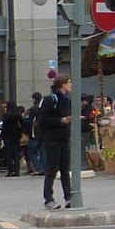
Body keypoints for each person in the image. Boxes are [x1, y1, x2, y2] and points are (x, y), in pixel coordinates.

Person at [38, 74, 73, 210]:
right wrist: (61, 120)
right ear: (62, 84)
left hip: (64, 137)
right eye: (69, 82)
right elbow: (43, 120)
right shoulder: (51, 99)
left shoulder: (67, 100)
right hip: (52, 139)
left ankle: (69, 197)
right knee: (52, 169)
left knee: (65, 169)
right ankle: (48, 199)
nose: (71, 85)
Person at [0, 103, 24, 178]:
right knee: (16, 153)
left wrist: (1, 136)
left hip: (7, 136)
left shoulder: (6, 115)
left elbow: (4, 127)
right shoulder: (18, 115)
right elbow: (22, 124)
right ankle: (17, 170)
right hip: (16, 136)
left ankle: (10, 170)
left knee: (8, 154)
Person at [26, 91, 45, 175]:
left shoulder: (33, 109)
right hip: (43, 133)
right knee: (43, 151)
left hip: (34, 134)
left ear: (34, 99)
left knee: (32, 152)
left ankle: (38, 168)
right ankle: (43, 167)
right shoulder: (43, 108)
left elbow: (30, 122)